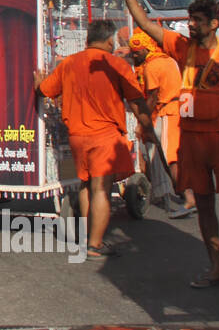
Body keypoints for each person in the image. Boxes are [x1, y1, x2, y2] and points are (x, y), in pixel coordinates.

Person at [114, 0, 219, 289]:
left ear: (213, 24)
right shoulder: (181, 47)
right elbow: (147, 24)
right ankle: (217, 266)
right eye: (190, 20)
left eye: (197, 21)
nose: (190, 25)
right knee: (204, 205)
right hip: (191, 138)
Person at [35, 19, 156, 260]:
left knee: (86, 184)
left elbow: (44, 90)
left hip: (78, 136)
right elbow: (136, 100)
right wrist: (147, 125)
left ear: (88, 39)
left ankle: (89, 236)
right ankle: (95, 244)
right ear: (110, 40)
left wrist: (39, 82)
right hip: (104, 136)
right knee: (101, 188)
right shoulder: (117, 65)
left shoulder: (69, 63)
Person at [120, 26, 192, 217]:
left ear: (145, 50)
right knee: (165, 155)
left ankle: (189, 197)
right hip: (178, 110)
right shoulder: (168, 60)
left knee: (170, 159)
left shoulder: (152, 66)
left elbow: (152, 98)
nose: (134, 57)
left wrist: (142, 122)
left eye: (136, 53)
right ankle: (170, 193)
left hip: (167, 112)